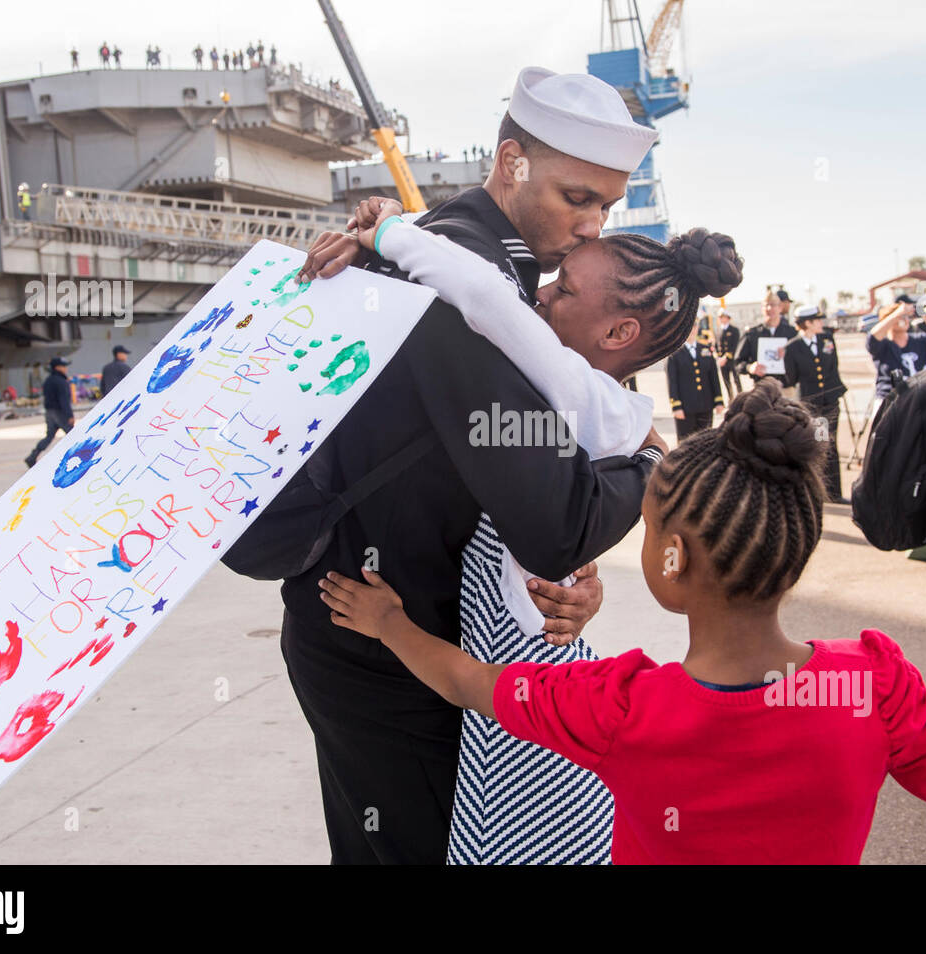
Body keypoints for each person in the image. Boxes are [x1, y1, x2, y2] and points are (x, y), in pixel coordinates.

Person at [317, 380, 926, 865]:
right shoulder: (873, 685)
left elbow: (468, 681)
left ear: (672, 564)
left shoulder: (619, 706)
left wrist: (387, 621)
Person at [276, 66, 663, 865]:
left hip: (403, 626)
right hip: (386, 645)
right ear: (512, 161)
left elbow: (513, 486)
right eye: (578, 197)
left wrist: (560, 575)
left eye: (608, 207)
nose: (594, 226)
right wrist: (651, 465)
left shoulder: (469, 260)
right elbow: (556, 519)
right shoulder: (465, 282)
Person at [311, 197, 739, 863]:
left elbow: (487, 299)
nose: (541, 295)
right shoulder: (626, 418)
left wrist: (393, 232)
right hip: (540, 650)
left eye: (564, 289)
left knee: (501, 829)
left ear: (620, 334)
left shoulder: (573, 387)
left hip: (509, 655)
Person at [784, 304, 846, 503]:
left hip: (830, 400)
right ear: (807, 323)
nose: (821, 323)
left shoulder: (827, 339)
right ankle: (818, 491)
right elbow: (791, 378)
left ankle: (835, 493)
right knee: (818, 443)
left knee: (832, 443)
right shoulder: (793, 347)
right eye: (817, 320)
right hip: (812, 403)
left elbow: (833, 366)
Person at [866, 295, 926, 400]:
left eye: (906, 317)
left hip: (922, 395)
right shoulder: (883, 345)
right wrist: (897, 313)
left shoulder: (921, 340)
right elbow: (872, 338)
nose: (905, 320)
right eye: (901, 317)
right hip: (890, 398)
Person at [666, 323, 724, 441]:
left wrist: (719, 401)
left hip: (706, 405)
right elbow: (672, 382)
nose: (691, 330)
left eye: (694, 326)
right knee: (685, 444)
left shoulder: (705, 350)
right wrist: (676, 406)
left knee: (705, 442)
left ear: (697, 328)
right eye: (688, 326)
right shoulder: (674, 354)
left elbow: (714, 377)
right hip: (685, 408)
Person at [736, 291, 797, 394]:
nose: (769, 309)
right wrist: (750, 367)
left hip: (787, 389)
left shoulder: (792, 333)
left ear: (780, 308)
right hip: (762, 391)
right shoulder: (752, 334)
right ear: (762, 309)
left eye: (773, 305)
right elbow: (737, 363)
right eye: (766, 305)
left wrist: (788, 356)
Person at [24, 357, 75, 468]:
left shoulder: (48, 380)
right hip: (60, 412)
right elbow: (64, 400)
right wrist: (70, 415)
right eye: (63, 366)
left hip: (49, 412)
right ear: (57, 367)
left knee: (49, 436)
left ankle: (32, 456)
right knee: (73, 435)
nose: (65, 368)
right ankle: (77, 458)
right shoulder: (61, 381)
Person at [715, 311, 741, 401]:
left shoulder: (734, 330)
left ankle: (740, 397)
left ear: (728, 318)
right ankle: (731, 398)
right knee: (726, 381)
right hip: (722, 361)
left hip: (732, 360)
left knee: (736, 380)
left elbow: (735, 345)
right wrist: (718, 358)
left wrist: (726, 357)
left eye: (723, 317)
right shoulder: (718, 330)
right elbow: (717, 346)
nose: (721, 319)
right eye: (720, 317)